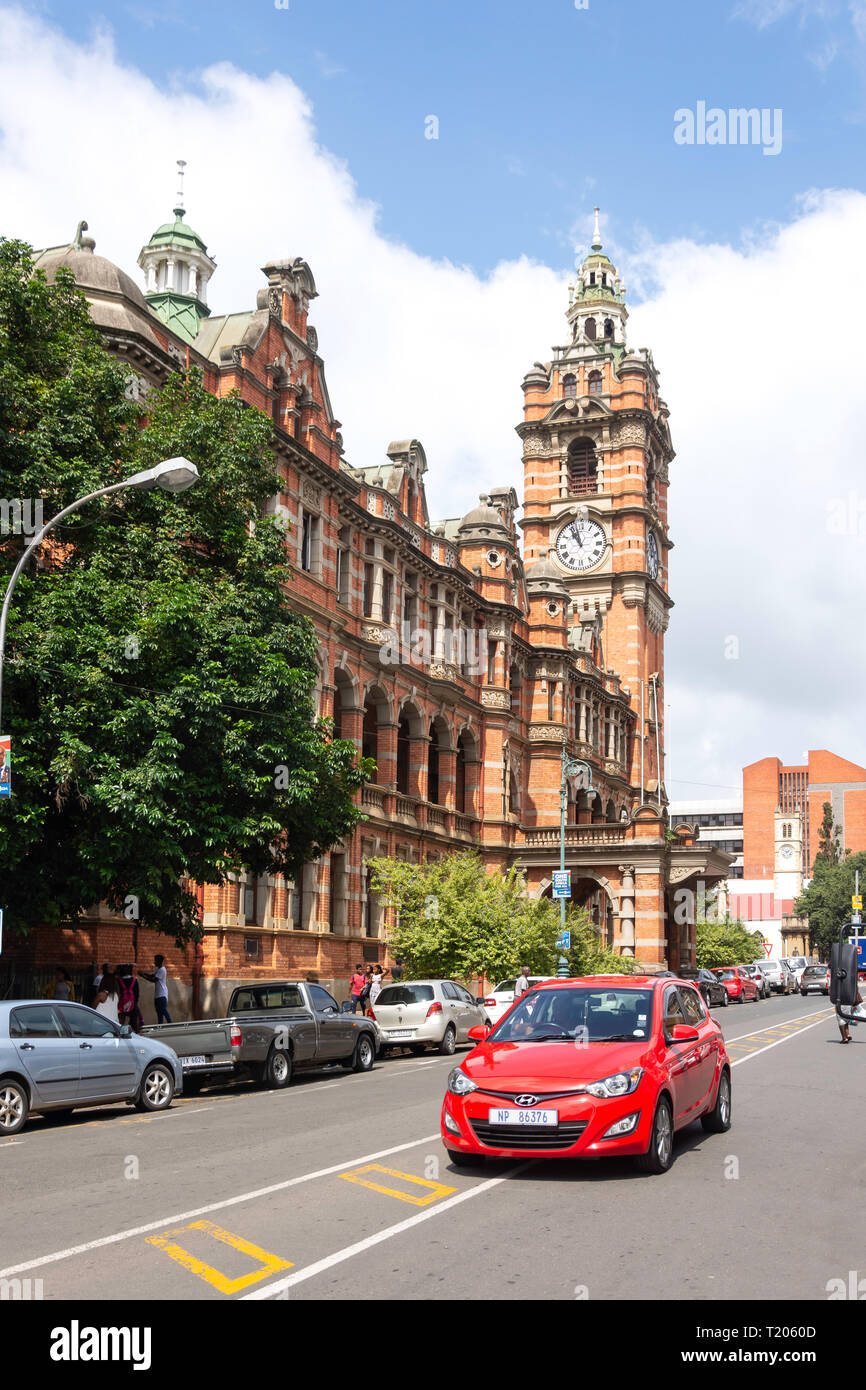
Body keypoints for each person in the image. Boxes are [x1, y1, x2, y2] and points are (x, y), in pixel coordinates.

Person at [140, 954, 171, 1023]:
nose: (154, 962)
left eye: (155, 961)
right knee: (159, 1012)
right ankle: (160, 1027)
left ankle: (170, 1023)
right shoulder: (158, 969)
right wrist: (143, 973)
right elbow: (152, 975)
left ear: (160, 961)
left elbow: (154, 980)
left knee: (163, 1010)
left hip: (162, 994)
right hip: (157, 995)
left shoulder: (162, 970)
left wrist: (143, 976)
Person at [116, 964, 142, 1031]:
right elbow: (137, 994)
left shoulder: (119, 980)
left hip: (121, 1004)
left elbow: (117, 993)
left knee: (121, 1021)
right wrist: (135, 1002)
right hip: (132, 1004)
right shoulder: (134, 980)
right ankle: (135, 1033)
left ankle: (120, 1031)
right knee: (134, 1020)